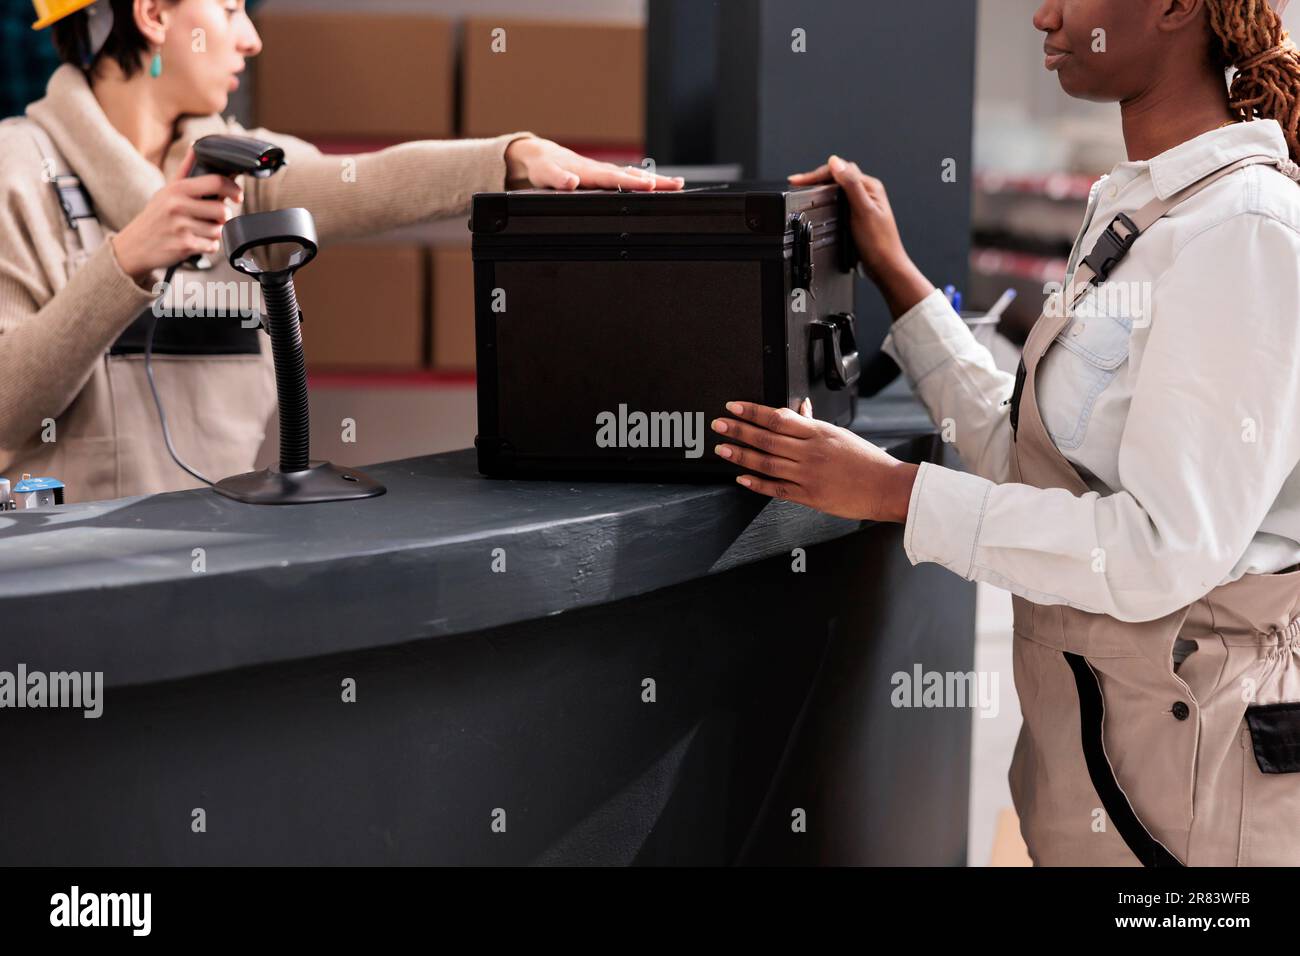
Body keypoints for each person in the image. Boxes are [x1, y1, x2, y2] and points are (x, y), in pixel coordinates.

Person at [716, 0, 1300, 866]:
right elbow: (1031, 461)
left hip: (1199, 810)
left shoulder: (1245, 231)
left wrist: (894, 493)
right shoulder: (1141, 208)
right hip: (1103, 778)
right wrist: (900, 280)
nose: (1045, 14)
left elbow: (1162, 550)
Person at [0, 0, 681, 502]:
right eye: (232, 9)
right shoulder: (13, 174)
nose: (252, 38)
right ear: (151, 13)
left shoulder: (237, 173)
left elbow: (375, 181)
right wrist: (125, 264)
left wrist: (514, 157)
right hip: (69, 571)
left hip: (217, 555)